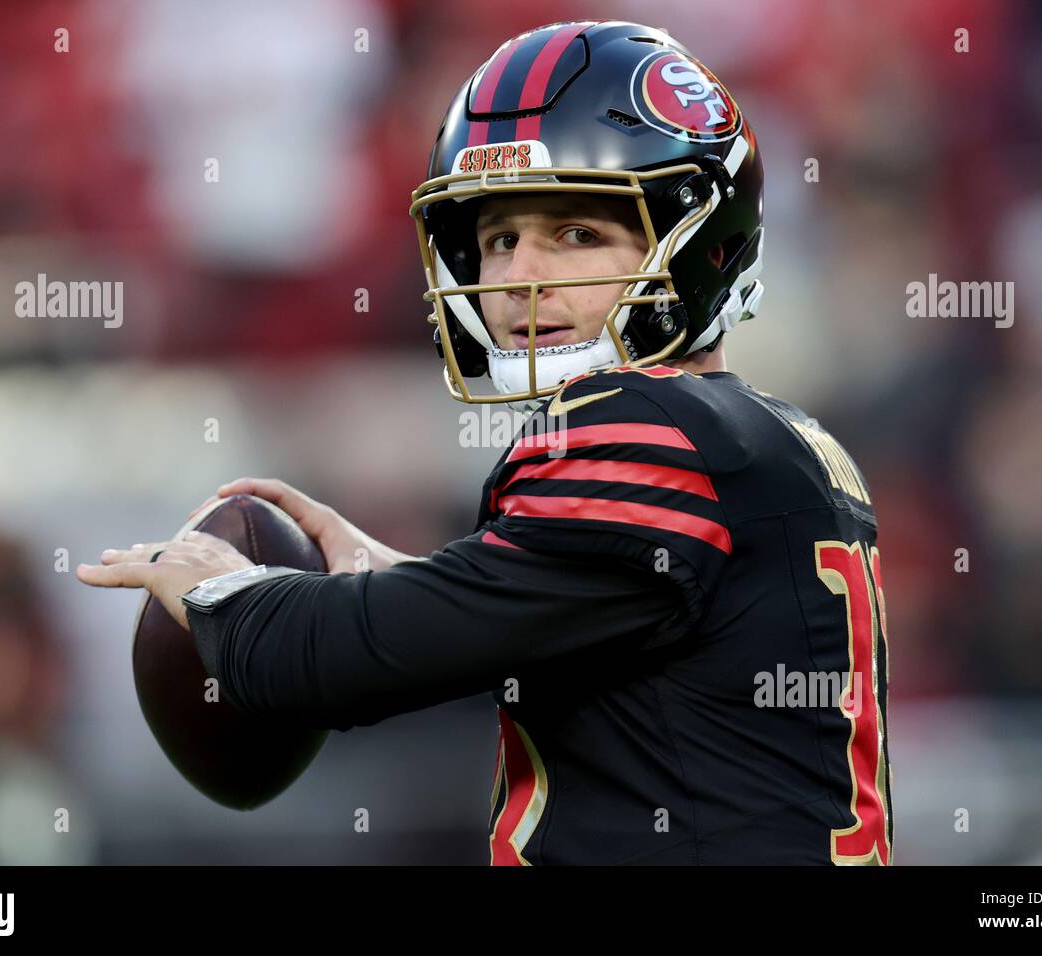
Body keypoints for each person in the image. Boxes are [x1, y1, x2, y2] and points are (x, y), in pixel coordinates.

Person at [78, 20, 893, 865]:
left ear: (700, 243)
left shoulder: (639, 427)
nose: (518, 276)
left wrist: (229, 600)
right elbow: (567, 623)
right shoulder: (787, 442)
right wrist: (397, 579)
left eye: (577, 234)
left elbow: (348, 665)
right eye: (500, 238)